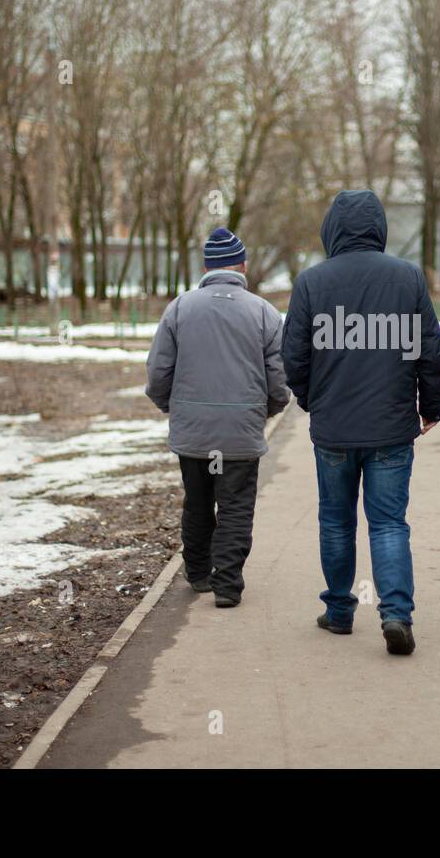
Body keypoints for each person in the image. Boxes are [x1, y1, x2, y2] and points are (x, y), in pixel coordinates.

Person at [281, 189, 440, 656]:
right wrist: (432, 406)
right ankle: (395, 614)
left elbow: (292, 357)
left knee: (335, 521)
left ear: (331, 230)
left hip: (334, 427)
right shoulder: (407, 278)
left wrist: (311, 399)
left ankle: (339, 612)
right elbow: (430, 352)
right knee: (389, 523)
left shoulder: (311, 283)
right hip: (392, 427)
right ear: (379, 229)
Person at [146, 228, 289, 608]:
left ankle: (197, 572)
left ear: (205, 266)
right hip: (240, 431)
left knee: (198, 500)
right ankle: (227, 583)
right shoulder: (264, 312)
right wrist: (266, 411)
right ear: (242, 265)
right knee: (236, 505)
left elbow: (159, 372)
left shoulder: (179, 308)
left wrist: (172, 408)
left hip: (194, 432)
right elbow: (278, 380)